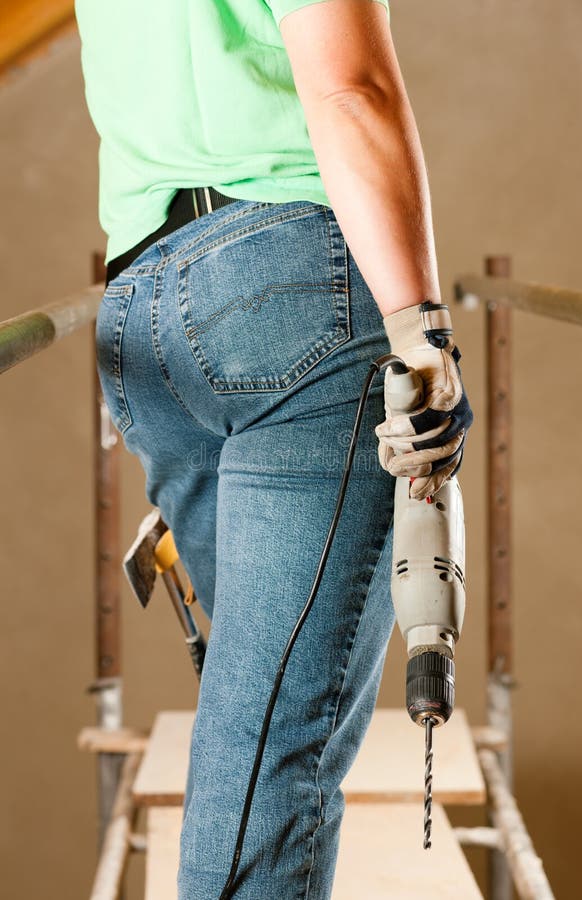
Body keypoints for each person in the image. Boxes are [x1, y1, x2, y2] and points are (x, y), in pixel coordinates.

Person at [74, 0, 473, 896]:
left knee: (258, 710)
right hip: (286, 292)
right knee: (269, 753)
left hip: (143, 315)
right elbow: (352, 90)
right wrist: (422, 333)